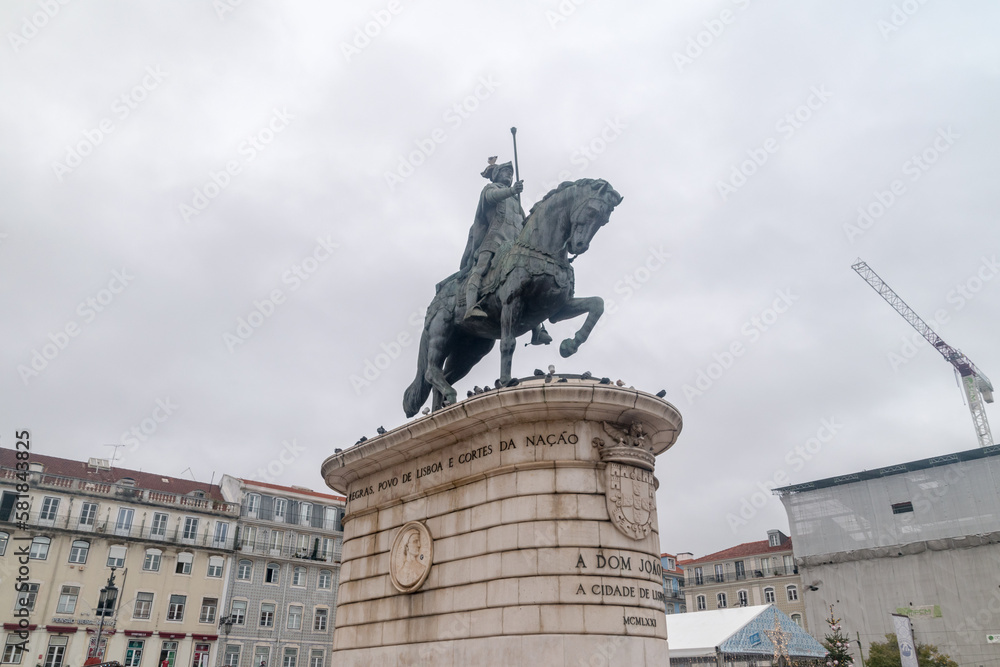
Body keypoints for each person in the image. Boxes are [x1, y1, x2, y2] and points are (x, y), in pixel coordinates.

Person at [461, 157, 525, 320]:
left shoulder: (515, 200)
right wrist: (512, 190)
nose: (509, 176)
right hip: (494, 240)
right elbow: (492, 197)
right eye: (506, 172)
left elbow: (524, 221)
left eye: (511, 174)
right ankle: (470, 307)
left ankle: (537, 328)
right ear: (496, 175)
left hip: (515, 245)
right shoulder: (490, 189)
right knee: (481, 268)